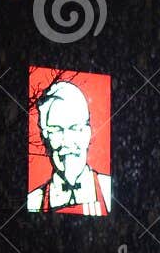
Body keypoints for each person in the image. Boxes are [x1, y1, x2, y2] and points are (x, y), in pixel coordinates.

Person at [27, 80, 112, 216]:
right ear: (45, 137)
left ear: (87, 133)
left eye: (74, 128)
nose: (66, 141)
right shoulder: (33, 202)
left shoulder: (109, 190)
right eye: (56, 130)